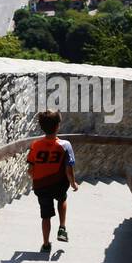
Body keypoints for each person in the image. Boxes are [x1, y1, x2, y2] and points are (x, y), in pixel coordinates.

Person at [27, 108, 78, 253]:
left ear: (41, 127)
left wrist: (35, 177)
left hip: (41, 185)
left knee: (45, 216)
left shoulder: (35, 145)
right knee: (62, 199)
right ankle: (62, 227)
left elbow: (30, 169)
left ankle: (46, 244)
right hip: (59, 183)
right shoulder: (65, 145)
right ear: (58, 126)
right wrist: (73, 183)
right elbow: (69, 169)